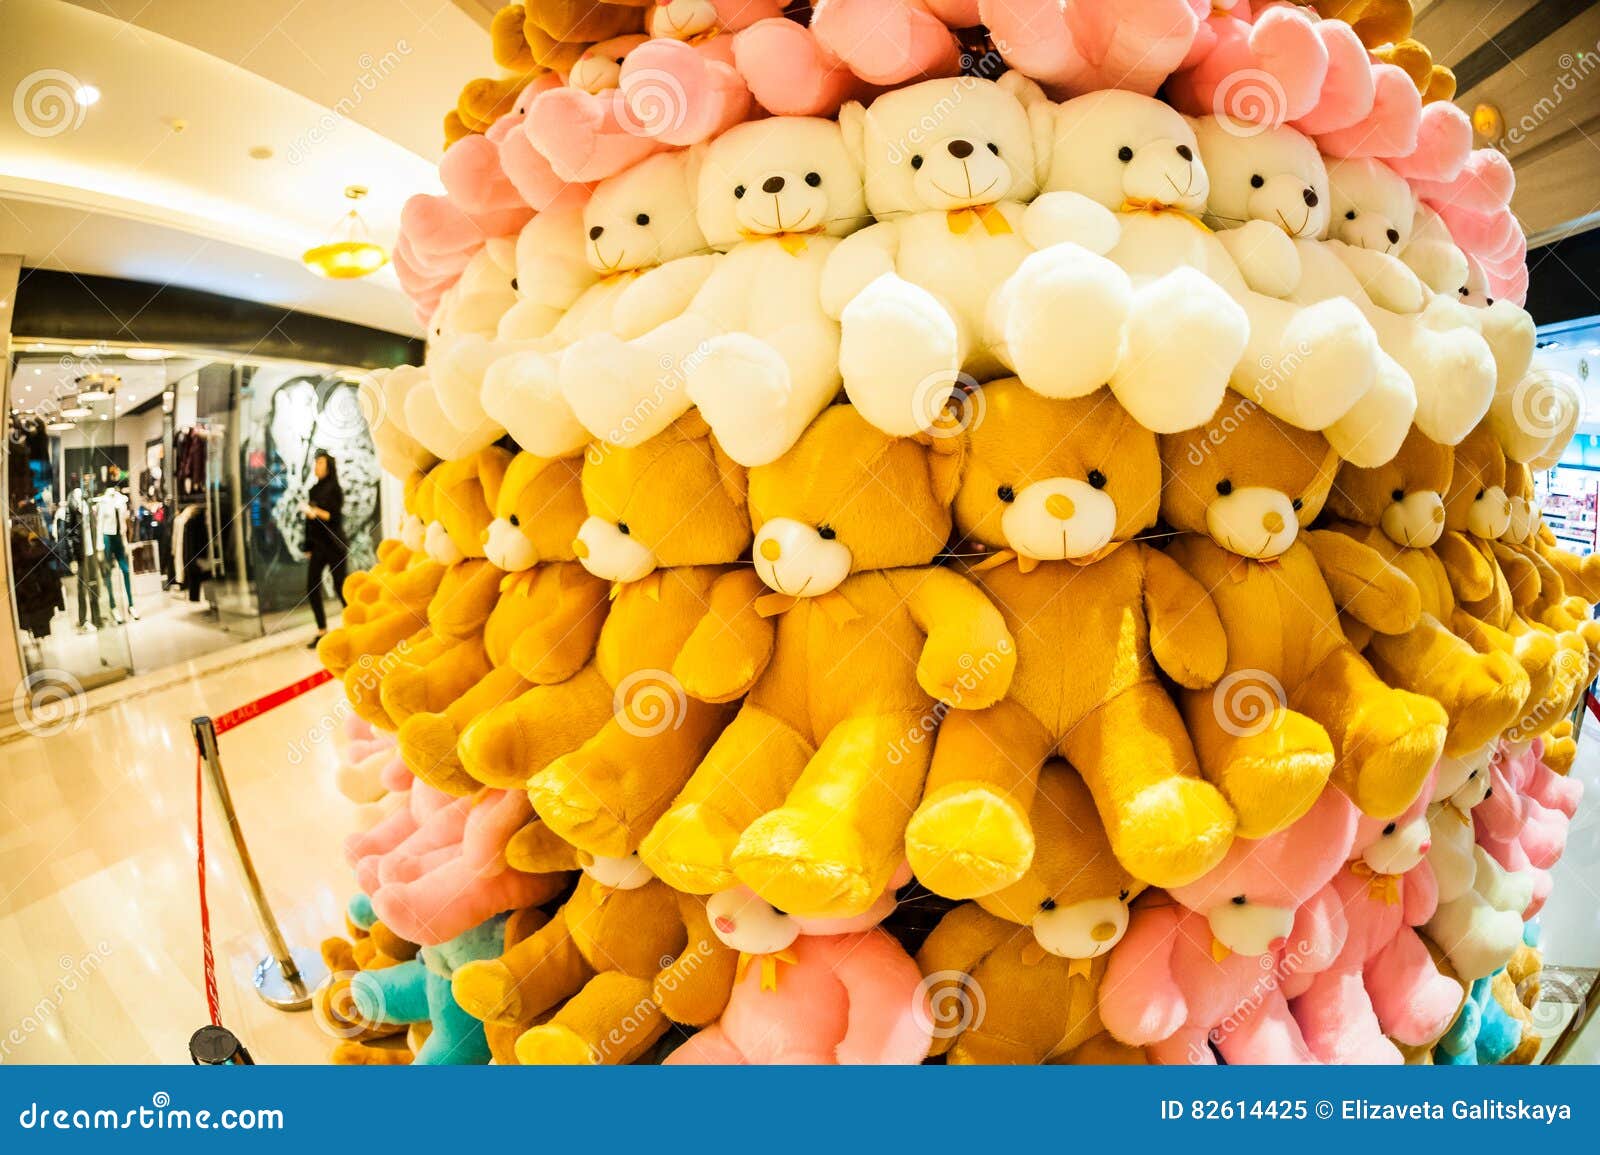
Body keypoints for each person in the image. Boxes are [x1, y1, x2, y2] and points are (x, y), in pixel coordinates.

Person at [301, 451, 348, 647]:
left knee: (341, 587)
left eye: (320, 463)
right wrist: (308, 546)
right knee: (312, 587)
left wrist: (316, 512)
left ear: (328, 465)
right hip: (318, 546)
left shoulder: (335, 489)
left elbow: (335, 517)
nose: (316, 466)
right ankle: (322, 631)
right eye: (316, 463)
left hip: (335, 545)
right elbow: (309, 522)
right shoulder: (313, 490)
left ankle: (355, 624)